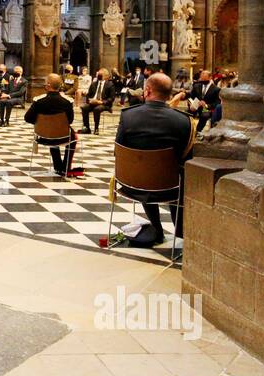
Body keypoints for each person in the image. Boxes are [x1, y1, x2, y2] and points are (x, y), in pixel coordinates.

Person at [113, 73, 195, 247]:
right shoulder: (184, 121)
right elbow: (187, 156)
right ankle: (180, 233)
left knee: (144, 171)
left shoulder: (128, 116)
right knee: (178, 172)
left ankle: (157, 230)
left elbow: (118, 149)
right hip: (172, 187)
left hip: (134, 184)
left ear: (147, 91)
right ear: (168, 95)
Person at [24, 73, 82, 178]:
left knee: (52, 133)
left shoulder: (39, 101)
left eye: (46, 82)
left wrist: (41, 124)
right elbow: (70, 120)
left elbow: (27, 118)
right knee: (72, 137)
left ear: (49, 85)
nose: (44, 84)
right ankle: (65, 167)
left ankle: (58, 166)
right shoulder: (67, 102)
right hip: (63, 136)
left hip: (43, 137)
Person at [80, 67, 114, 134]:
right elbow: (88, 95)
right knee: (84, 108)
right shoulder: (93, 84)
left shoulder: (110, 85)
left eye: (101, 74)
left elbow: (111, 98)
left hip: (104, 104)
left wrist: (101, 102)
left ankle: (96, 128)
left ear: (105, 76)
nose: (99, 75)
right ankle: (87, 128)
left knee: (97, 109)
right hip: (93, 102)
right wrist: (90, 101)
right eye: (99, 74)